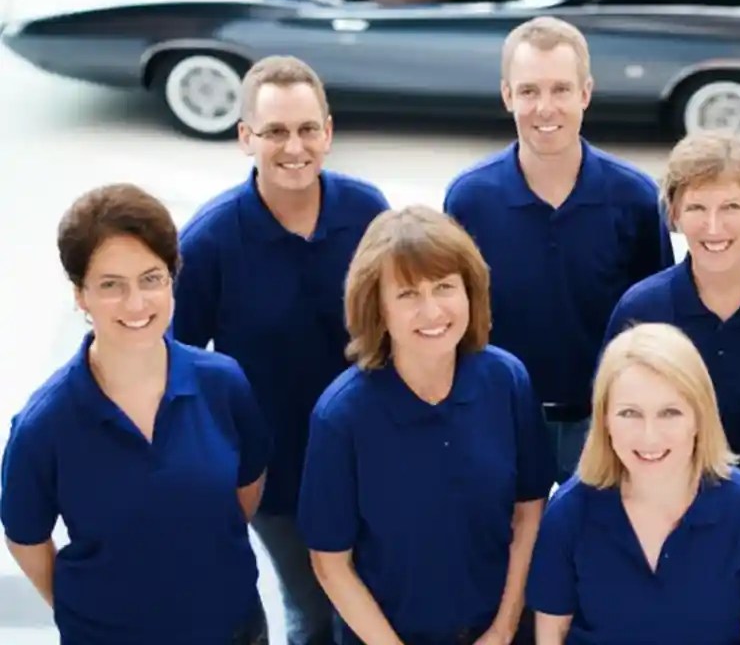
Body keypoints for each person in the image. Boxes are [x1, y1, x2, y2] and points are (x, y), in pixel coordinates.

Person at [171, 55, 391, 645]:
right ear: (246, 137)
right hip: (277, 479)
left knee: (378, 605)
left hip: (373, 461)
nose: (294, 147)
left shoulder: (369, 213)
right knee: (313, 615)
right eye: (274, 131)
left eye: (307, 129)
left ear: (328, 131)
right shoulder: (210, 241)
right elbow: (175, 367)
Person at [1, 184, 272, 644]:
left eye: (152, 278)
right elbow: (26, 538)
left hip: (232, 630)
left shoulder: (222, 384)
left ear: (172, 277)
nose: (136, 304)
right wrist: (93, 612)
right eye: (111, 285)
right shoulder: (44, 425)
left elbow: (245, 490)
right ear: (80, 295)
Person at [296, 205, 556, 645]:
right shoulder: (341, 417)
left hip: (497, 631)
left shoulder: (507, 381)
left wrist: (503, 629)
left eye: (444, 287)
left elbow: (529, 512)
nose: (432, 310)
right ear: (377, 308)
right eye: (408, 295)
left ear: (470, 291)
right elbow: (329, 561)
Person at [443, 16, 675, 483]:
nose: (544, 108)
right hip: (502, 416)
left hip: (605, 419)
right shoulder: (469, 200)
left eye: (560, 90)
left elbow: (654, 321)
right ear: (507, 96)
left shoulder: (633, 197)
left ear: (585, 93)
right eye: (528, 91)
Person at [526, 322, 740, 644]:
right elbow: (552, 633)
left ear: (699, 416)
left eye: (669, 413)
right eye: (629, 414)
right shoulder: (568, 513)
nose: (649, 436)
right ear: (604, 420)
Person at [603, 131, 740, 496]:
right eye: (697, 208)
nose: (714, 227)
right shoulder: (640, 312)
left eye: (731, 207)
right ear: (673, 214)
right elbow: (613, 434)